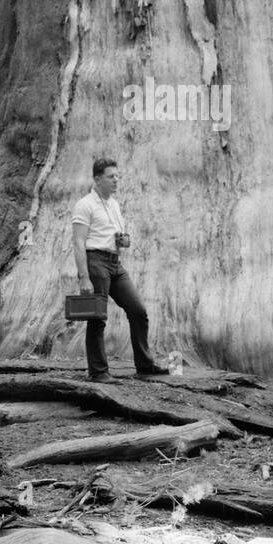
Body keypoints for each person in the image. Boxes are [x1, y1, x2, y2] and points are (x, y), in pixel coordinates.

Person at [70, 157, 168, 383]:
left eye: (117, 176)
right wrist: (84, 277)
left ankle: (144, 366)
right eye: (110, 176)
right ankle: (98, 372)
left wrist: (122, 241)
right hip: (95, 262)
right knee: (97, 318)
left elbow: (113, 233)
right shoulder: (84, 205)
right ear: (97, 179)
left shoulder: (113, 204)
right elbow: (78, 242)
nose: (116, 180)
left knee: (138, 311)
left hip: (115, 263)